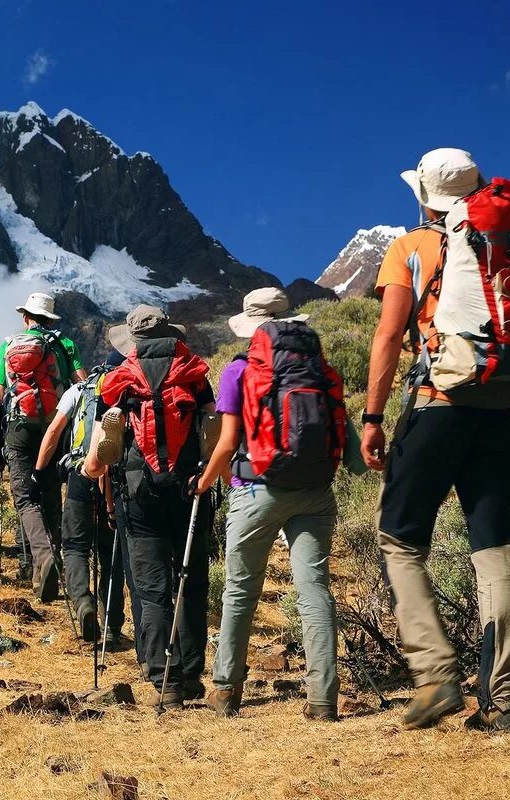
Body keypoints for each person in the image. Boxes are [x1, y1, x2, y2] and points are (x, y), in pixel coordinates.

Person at [363, 148, 510, 733]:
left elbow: (388, 337)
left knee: (400, 538)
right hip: (505, 413)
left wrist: (373, 416)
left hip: (440, 406)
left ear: (423, 197)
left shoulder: (412, 248)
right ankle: (504, 700)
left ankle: (435, 675)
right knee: (497, 551)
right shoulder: (507, 240)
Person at [195, 287, 366, 720]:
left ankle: (226, 689)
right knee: (313, 588)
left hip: (256, 490)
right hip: (315, 490)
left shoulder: (239, 371)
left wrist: (204, 481)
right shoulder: (320, 368)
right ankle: (323, 698)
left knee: (240, 589)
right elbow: (347, 440)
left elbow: (229, 440)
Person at [97, 305, 216, 710]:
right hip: (189, 490)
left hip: (138, 490)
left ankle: (164, 680)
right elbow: (212, 432)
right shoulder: (194, 373)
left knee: (151, 590)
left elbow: (101, 455)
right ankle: (192, 671)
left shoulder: (118, 381)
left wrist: (101, 484)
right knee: (192, 580)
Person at [0, 292, 86, 602]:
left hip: (19, 429)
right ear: (49, 319)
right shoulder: (64, 344)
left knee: (24, 499)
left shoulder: (9, 344)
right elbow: (82, 384)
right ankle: (53, 561)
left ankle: (39, 560)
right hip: (54, 429)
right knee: (48, 493)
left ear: (26, 318)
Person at [34, 354, 127, 644]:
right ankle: (111, 627)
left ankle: (83, 603)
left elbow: (53, 431)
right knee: (110, 550)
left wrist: (39, 471)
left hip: (80, 474)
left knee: (74, 546)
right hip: (114, 479)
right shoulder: (128, 390)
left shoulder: (80, 389)